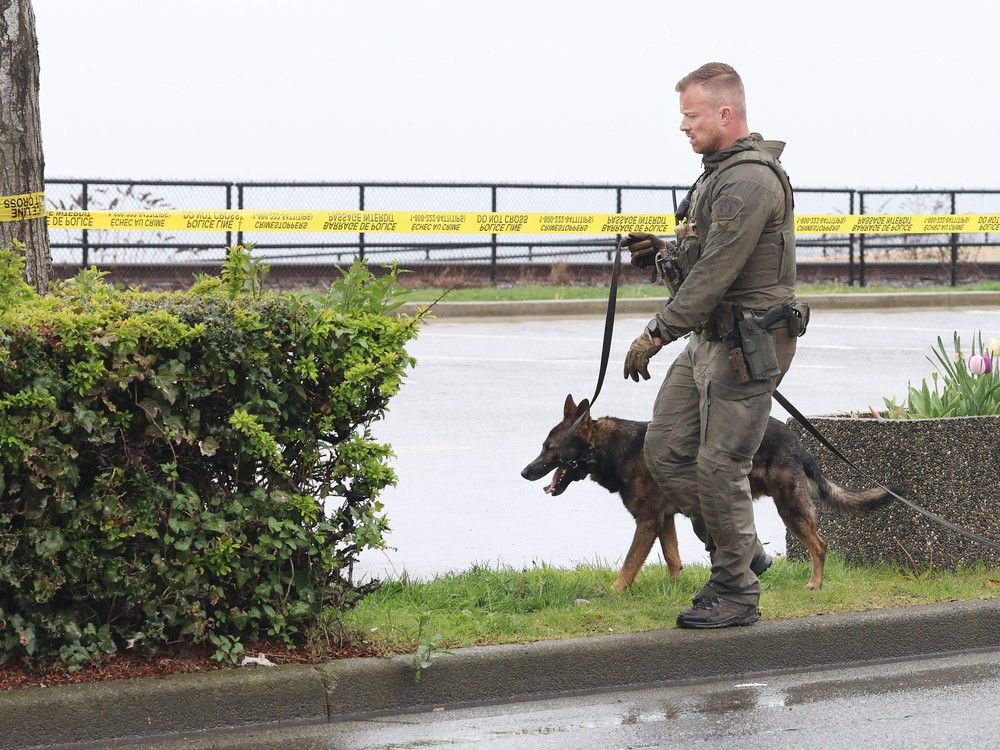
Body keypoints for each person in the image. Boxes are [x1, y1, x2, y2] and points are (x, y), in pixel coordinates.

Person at [621, 62, 806, 628]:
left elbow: (716, 274)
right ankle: (741, 549)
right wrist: (661, 251)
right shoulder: (716, 174)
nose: (682, 126)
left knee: (721, 465)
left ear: (726, 113)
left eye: (691, 114)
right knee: (667, 449)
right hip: (710, 338)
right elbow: (702, 256)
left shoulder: (748, 180)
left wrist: (656, 332)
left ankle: (736, 589)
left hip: (746, 345)